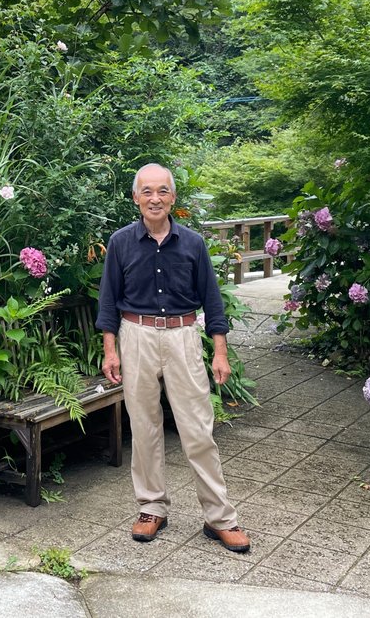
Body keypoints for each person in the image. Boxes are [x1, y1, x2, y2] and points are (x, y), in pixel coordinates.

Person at [96, 163, 251, 554]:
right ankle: (152, 508)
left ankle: (220, 518)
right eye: (147, 191)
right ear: (136, 197)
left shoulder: (194, 243)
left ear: (173, 198)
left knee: (198, 429)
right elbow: (108, 300)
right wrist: (110, 350)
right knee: (144, 427)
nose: (155, 198)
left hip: (183, 336)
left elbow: (213, 301)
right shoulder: (120, 242)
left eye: (162, 191)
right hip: (136, 337)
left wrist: (220, 352)